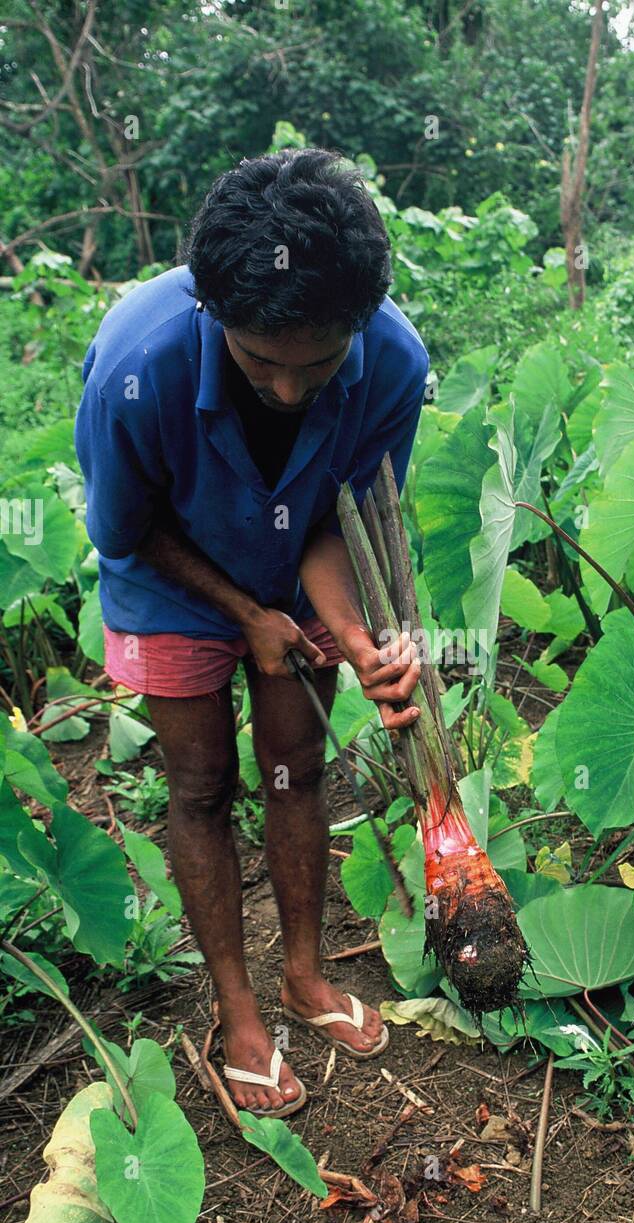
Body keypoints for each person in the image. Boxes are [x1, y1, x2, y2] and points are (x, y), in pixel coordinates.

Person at [75, 148, 428, 1117]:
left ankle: (303, 974)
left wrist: (350, 636)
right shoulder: (134, 362)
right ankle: (236, 1008)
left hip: (296, 572)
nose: (285, 389)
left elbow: (336, 519)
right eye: (260, 359)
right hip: (171, 579)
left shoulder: (393, 364)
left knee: (294, 766)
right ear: (211, 310)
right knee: (198, 785)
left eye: (317, 364)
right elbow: (127, 527)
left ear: (357, 324)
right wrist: (244, 615)